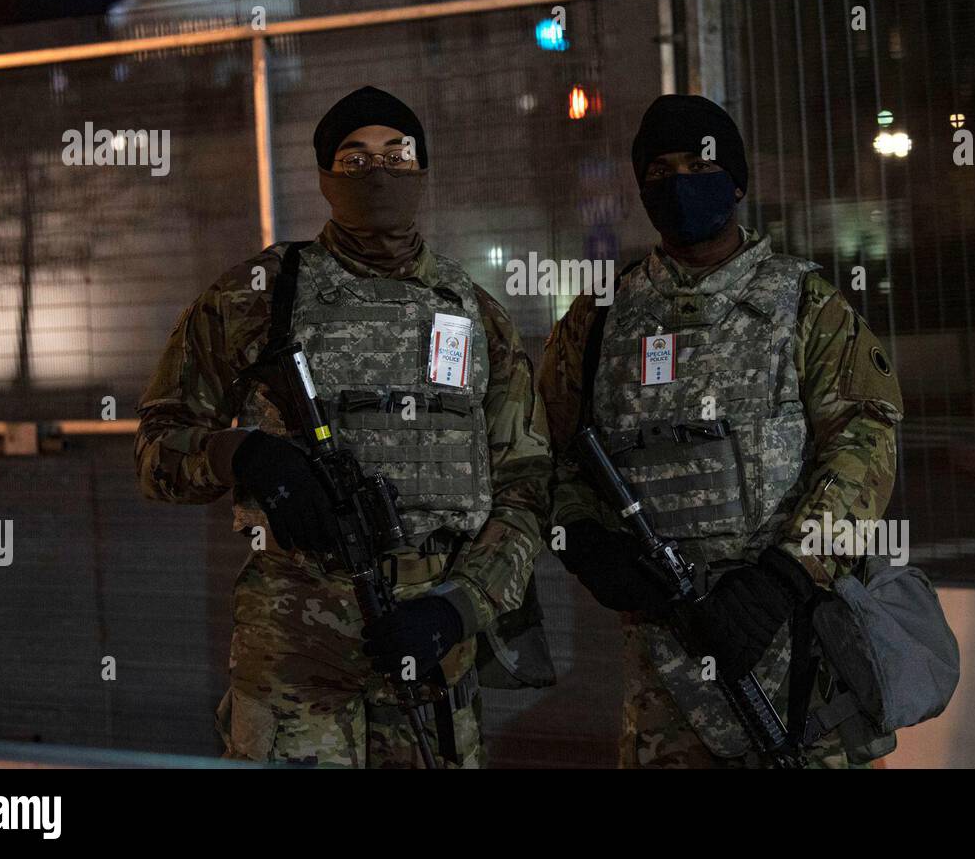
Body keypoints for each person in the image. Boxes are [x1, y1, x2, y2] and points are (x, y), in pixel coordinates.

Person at [135, 86, 553, 768]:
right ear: (326, 177)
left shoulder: (476, 314)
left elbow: (527, 486)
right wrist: (243, 454)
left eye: (396, 154)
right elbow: (156, 450)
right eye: (354, 159)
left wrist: (459, 607)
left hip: (431, 644)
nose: (377, 172)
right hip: (295, 648)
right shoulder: (259, 297)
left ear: (422, 169)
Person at [538, 93, 903, 769]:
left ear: (735, 180)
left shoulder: (805, 304)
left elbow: (864, 449)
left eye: (697, 163)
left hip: (800, 659)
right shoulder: (599, 320)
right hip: (663, 679)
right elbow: (547, 456)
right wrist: (587, 542)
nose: (677, 181)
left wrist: (785, 576)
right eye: (657, 170)